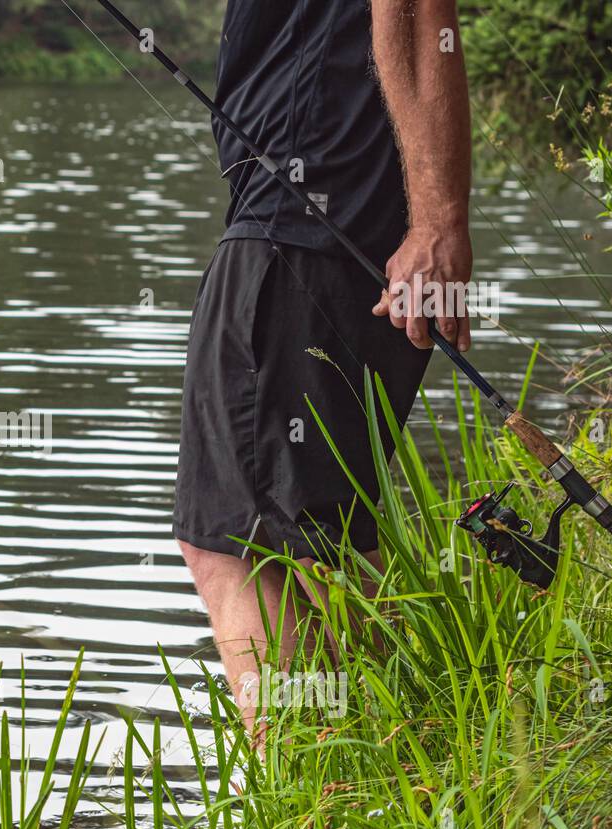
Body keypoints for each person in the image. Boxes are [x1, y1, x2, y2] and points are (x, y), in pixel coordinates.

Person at [172, 0, 473, 730]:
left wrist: (439, 222)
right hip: (320, 227)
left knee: (243, 541)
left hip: (302, 225)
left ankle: (304, 800)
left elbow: (413, 10)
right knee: (323, 548)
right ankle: (378, 779)